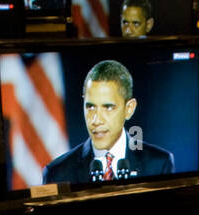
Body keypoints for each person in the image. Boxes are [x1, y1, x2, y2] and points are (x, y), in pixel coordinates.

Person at [42, 60, 174, 184]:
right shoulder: (57, 172)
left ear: (129, 109)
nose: (96, 120)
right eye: (90, 107)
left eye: (108, 107)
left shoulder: (159, 163)